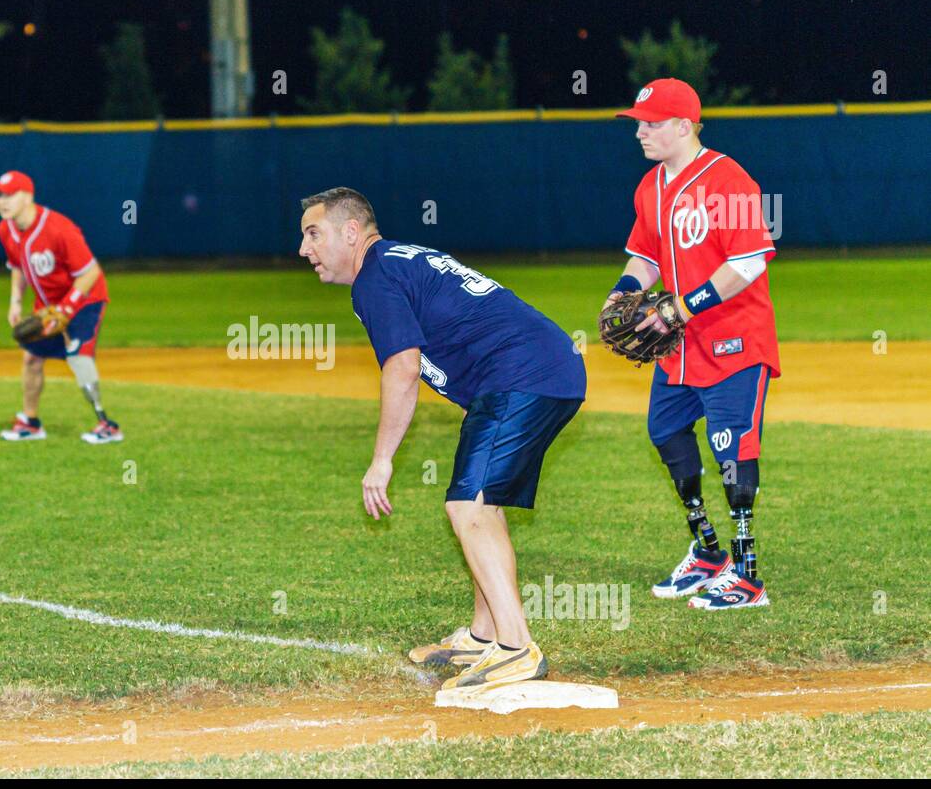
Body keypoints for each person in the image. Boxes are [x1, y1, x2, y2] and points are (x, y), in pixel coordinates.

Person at [298, 187, 586, 694]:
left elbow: (403, 368)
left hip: (524, 375)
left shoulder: (376, 275)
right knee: (481, 504)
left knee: (467, 507)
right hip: (536, 371)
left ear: (350, 232)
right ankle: (485, 634)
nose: (304, 249)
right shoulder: (393, 262)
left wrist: (382, 460)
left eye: (313, 233)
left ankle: (517, 649)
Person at [605, 78, 779, 610]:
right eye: (637, 122)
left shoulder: (731, 180)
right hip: (678, 346)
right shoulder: (649, 187)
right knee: (666, 431)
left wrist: (681, 306)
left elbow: (748, 262)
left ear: (685, 126)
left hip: (733, 341)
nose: (640, 132)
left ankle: (749, 576)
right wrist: (621, 293)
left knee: (731, 451)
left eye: (652, 123)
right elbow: (647, 259)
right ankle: (708, 553)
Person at [0, 170, 122, 444]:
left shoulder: (59, 229)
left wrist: (66, 310)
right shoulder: (6, 229)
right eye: (0, 195)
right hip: (49, 304)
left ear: (28, 197)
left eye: (10, 194)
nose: (3, 201)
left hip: (86, 299)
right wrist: (15, 300)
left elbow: (90, 273)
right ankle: (31, 422)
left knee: (79, 357)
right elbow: (17, 266)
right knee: (31, 357)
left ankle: (107, 425)